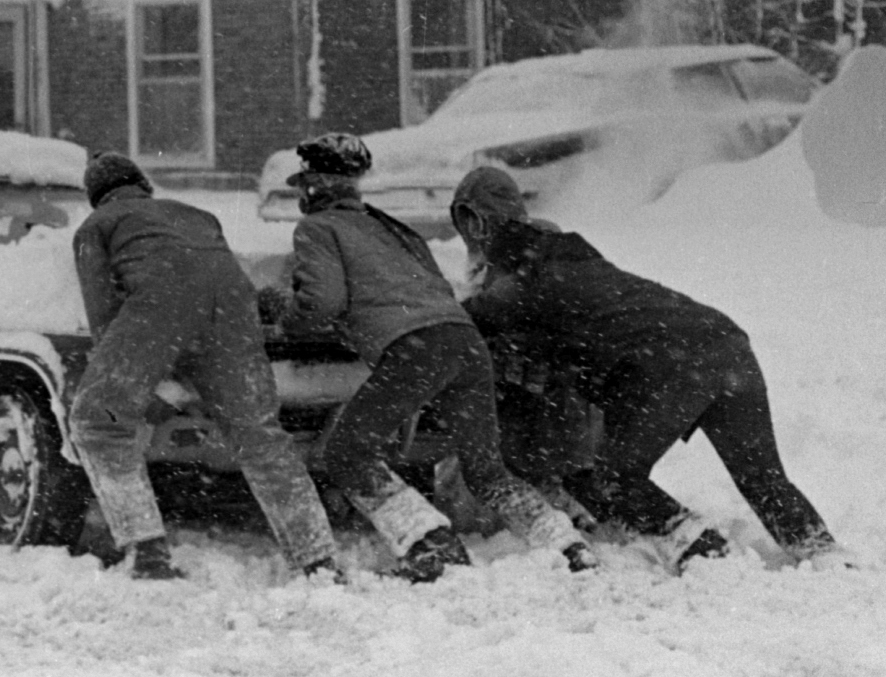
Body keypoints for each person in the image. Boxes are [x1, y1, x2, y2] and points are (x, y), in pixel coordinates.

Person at [450, 166, 840, 570]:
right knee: (761, 476)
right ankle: (823, 551)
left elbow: (461, 325)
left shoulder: (522, 279)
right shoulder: (571, 255)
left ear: (479, 225)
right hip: (725, 342)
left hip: (674, 364)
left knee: (615, 477)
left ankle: (703, 548)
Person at [269, 133, 598, 580]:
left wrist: (286, 316)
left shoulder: (317, 228)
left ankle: (432, 546)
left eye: (303, 184)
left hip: (415, 350)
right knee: (486, 470)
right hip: (465, 343)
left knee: (348, 453)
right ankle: (566, 545)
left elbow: (322, 302)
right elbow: (435, 286)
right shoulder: (394, 228)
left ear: (313, 184)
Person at [68, 151, 342, 581]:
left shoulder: (95, 227)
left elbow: (104, 314)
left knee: (97, 422)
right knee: (261, 438)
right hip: (232, 308)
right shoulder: (196, 214)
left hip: (159, 304)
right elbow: (213, 274)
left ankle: (148, 553)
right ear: (143, 185)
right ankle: (317, 560)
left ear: (95, 197)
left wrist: (138, 382)